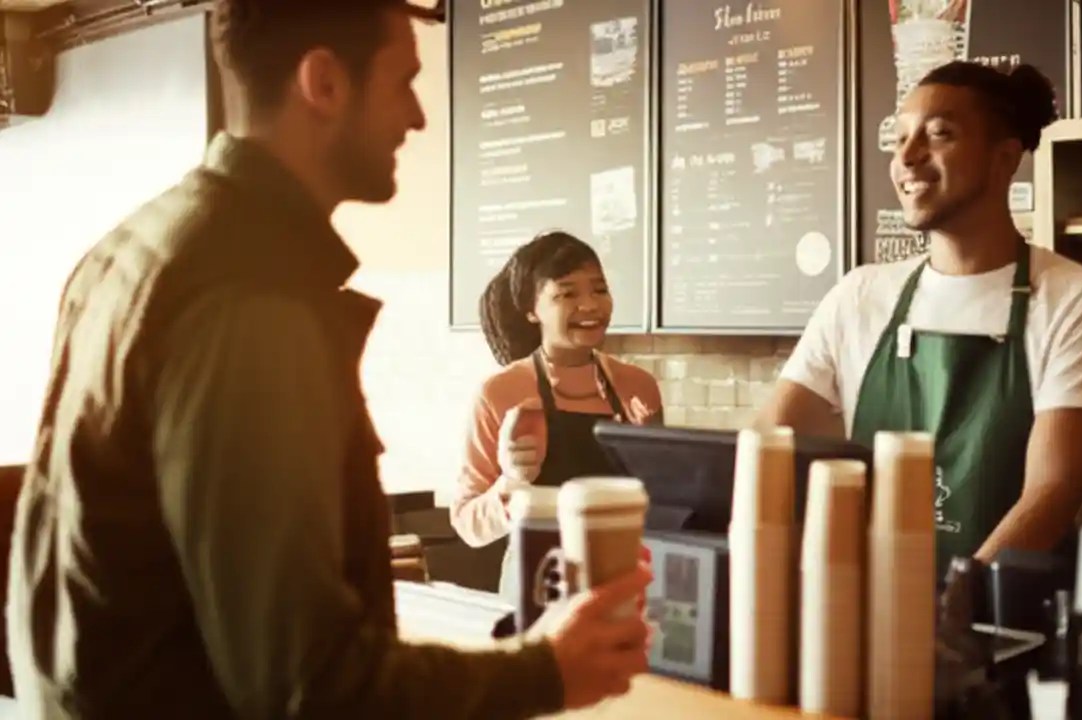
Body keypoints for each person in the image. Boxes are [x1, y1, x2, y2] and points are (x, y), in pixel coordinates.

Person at [6, 2, 651, 718]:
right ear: (324, 84)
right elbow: (311, 688)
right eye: (402, 81)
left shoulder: (132, 250)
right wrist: (547, 673)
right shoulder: (252, 300)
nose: (417, 117)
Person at [758, 61, 1082, 584]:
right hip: (859, 609)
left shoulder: (1077, 301)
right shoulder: (860, 295)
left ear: (1004, 159)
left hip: (1001, 626)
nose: (907, 158)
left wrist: (949, 614)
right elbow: (769, 443)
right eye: (899, 138)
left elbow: (1051, 494)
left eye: (938, 135)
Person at [451, 232, 663, 601]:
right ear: (532, 310)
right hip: (536, 591)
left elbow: (661, 507)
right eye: (567, 294)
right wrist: (512, 482)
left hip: (622, 587)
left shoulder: (638, 387)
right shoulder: (501, 393)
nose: (591, 305)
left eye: (599, 289)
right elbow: (468, 524)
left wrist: (659, 464)